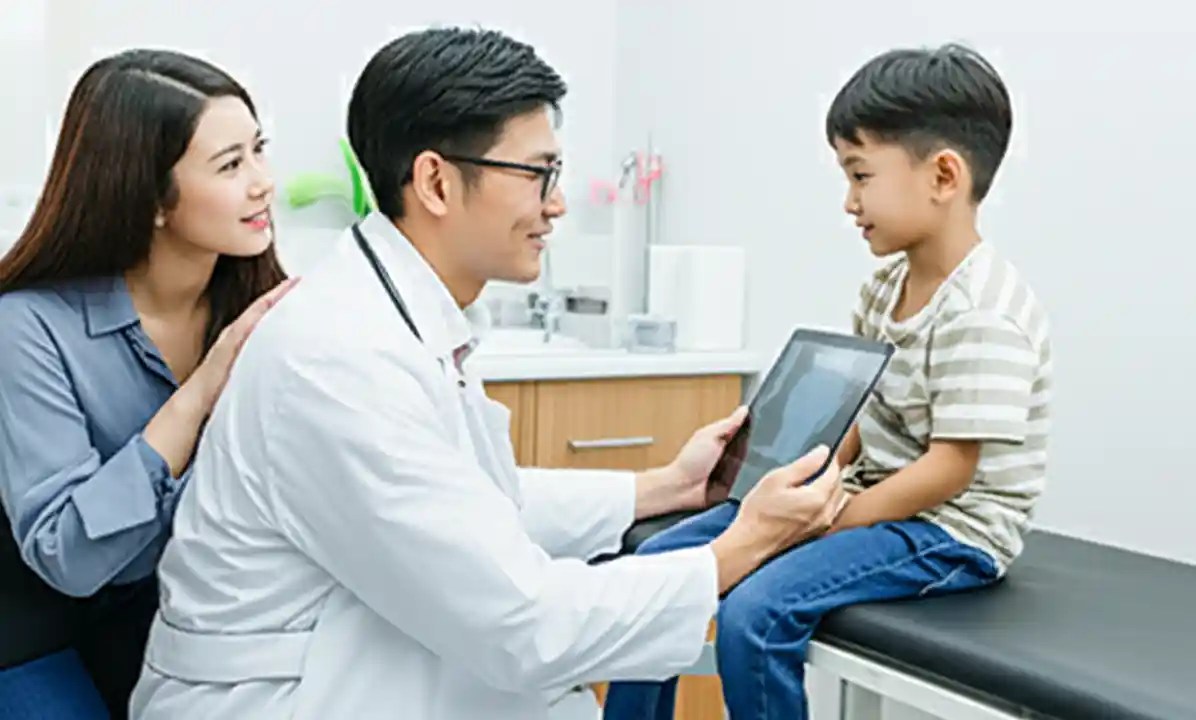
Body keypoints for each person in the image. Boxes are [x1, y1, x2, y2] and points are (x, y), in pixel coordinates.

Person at [128, 27, 846, 720]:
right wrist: (745, 543)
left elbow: (463, 503)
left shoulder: (398, 315)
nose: (556, 203)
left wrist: (666, 486)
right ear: (436, 182)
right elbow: (522, 623)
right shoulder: (339, 358)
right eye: (539, 175)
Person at [603, 43, 1054, 720]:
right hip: (872, 500)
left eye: (861, 175)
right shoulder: (884, 288)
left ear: (942, 175)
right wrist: (799, 486)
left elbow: (950, 470)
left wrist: (827, 519)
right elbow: (858, 421)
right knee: (655, 572)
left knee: (755, 615)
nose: (849, 202)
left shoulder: (985, 312)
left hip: (950, 531)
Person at [0, 49, 294, 719]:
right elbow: (68, 556)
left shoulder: (266, 308)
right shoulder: (24, 328)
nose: (263, 183)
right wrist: (198, 393)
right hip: (40, 623)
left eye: (258, 151)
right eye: (230, 165)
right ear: (149, 197)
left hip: (190, 610)